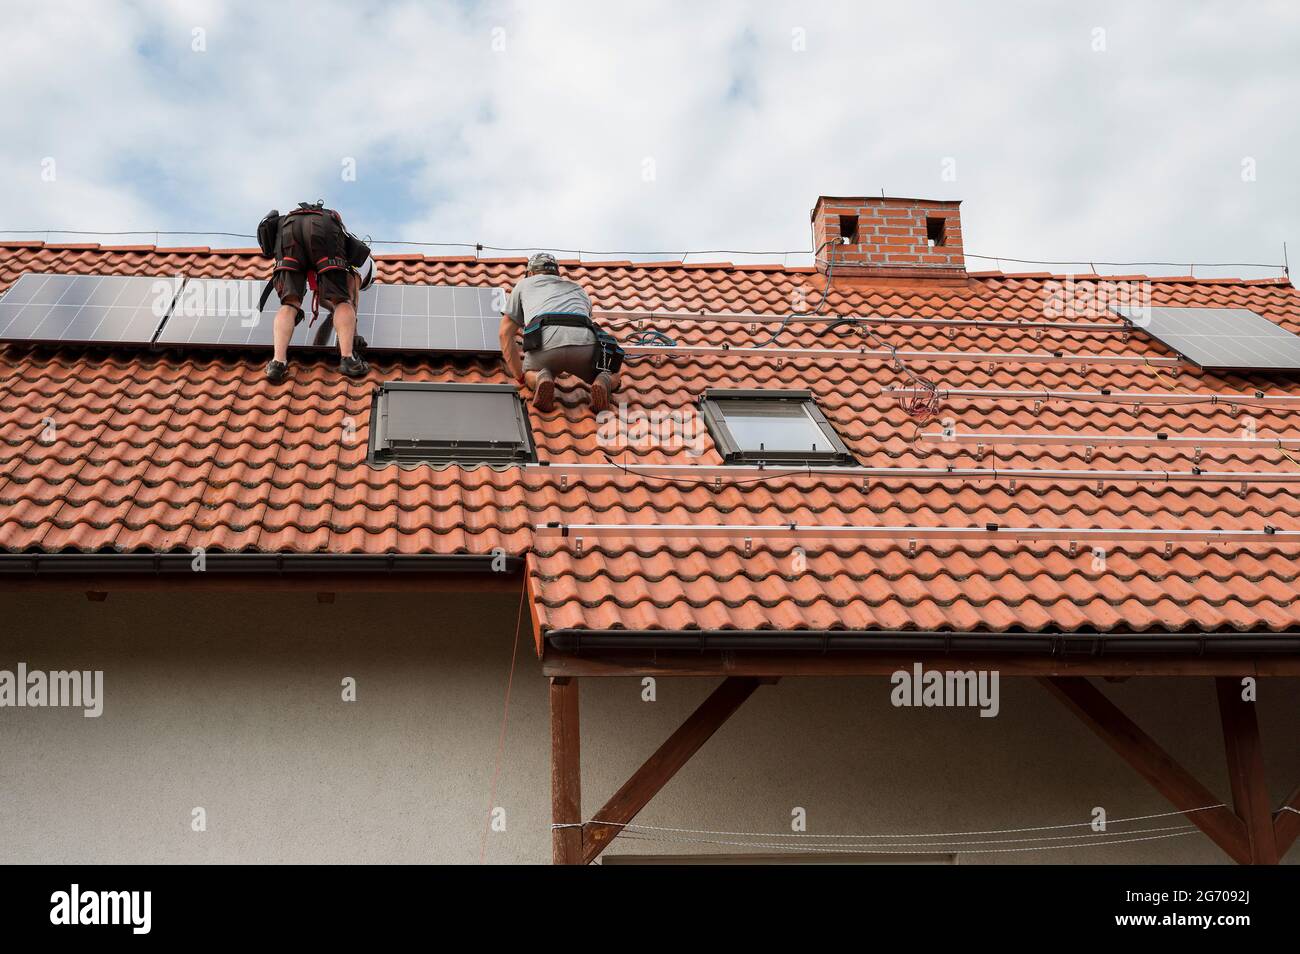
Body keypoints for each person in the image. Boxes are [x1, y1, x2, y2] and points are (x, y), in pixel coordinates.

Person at [260, 202, 370, 382]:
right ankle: (348, 359)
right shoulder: (360, 260)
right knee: (341, 300)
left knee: (290, 303)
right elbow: (350, 297)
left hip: (288, 229)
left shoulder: (289, 220)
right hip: (324, 230)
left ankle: (277, 363)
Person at [498, 252, 618, 412]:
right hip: (584, 344)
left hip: (546, 346)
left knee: (530, 373)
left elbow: (504, 334)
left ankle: (541, 378)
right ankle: (602, 382)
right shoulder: (579, 289)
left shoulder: (524, 284)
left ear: (531, 273)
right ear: (557, 273)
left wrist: (520, 377)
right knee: (613, 373)